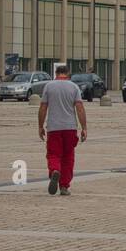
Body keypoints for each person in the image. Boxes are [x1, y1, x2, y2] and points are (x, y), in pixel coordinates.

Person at [38, 64, 88, 196]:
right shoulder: (74, 87)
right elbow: (80, 108)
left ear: (56, 73)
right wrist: (84, 128)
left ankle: (55, 170)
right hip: (70, 127)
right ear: (68, 73)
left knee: (53, 154)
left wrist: (40, 126)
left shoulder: (49, 86)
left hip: (53, 128)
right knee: (68, 157)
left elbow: (43, 107)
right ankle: (64, 186)